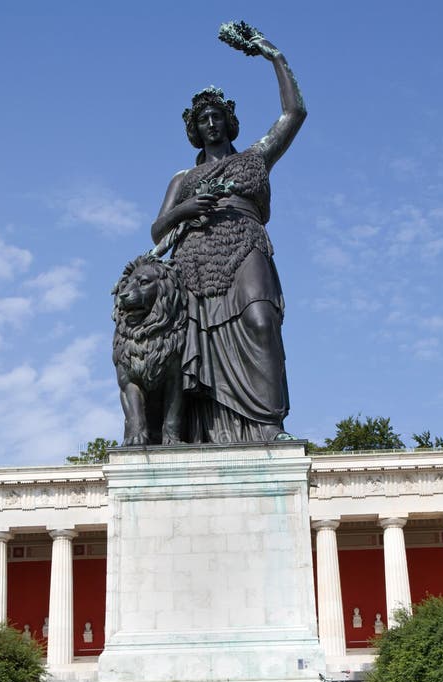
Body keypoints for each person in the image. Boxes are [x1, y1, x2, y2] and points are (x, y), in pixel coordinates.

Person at [151, 35, 306, 443]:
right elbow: (158, 229)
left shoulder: (255, 157)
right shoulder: (183, 179)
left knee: (261, 319)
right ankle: (202, 432)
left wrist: (276, 57)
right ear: (194, 130)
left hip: (245, 241)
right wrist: (187, 208)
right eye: (203, 120)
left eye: (217, 116)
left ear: (228, 120)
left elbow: (294, 112)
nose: (211, 123)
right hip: (195, 260)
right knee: (195, 344)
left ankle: (269, 425)